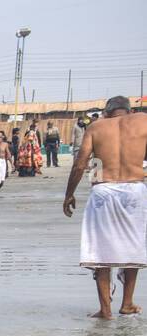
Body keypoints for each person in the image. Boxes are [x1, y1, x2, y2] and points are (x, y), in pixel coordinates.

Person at [63, 96, 147, 319]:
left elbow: (80, 163)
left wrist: (69, 194)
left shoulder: (96, 127)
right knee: (133, 247)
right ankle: (127, 303)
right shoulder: (143, 121)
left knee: (101, 252)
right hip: (134, 190)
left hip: (103, 191)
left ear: (107, 113)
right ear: (129, 111)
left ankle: (106, 310)